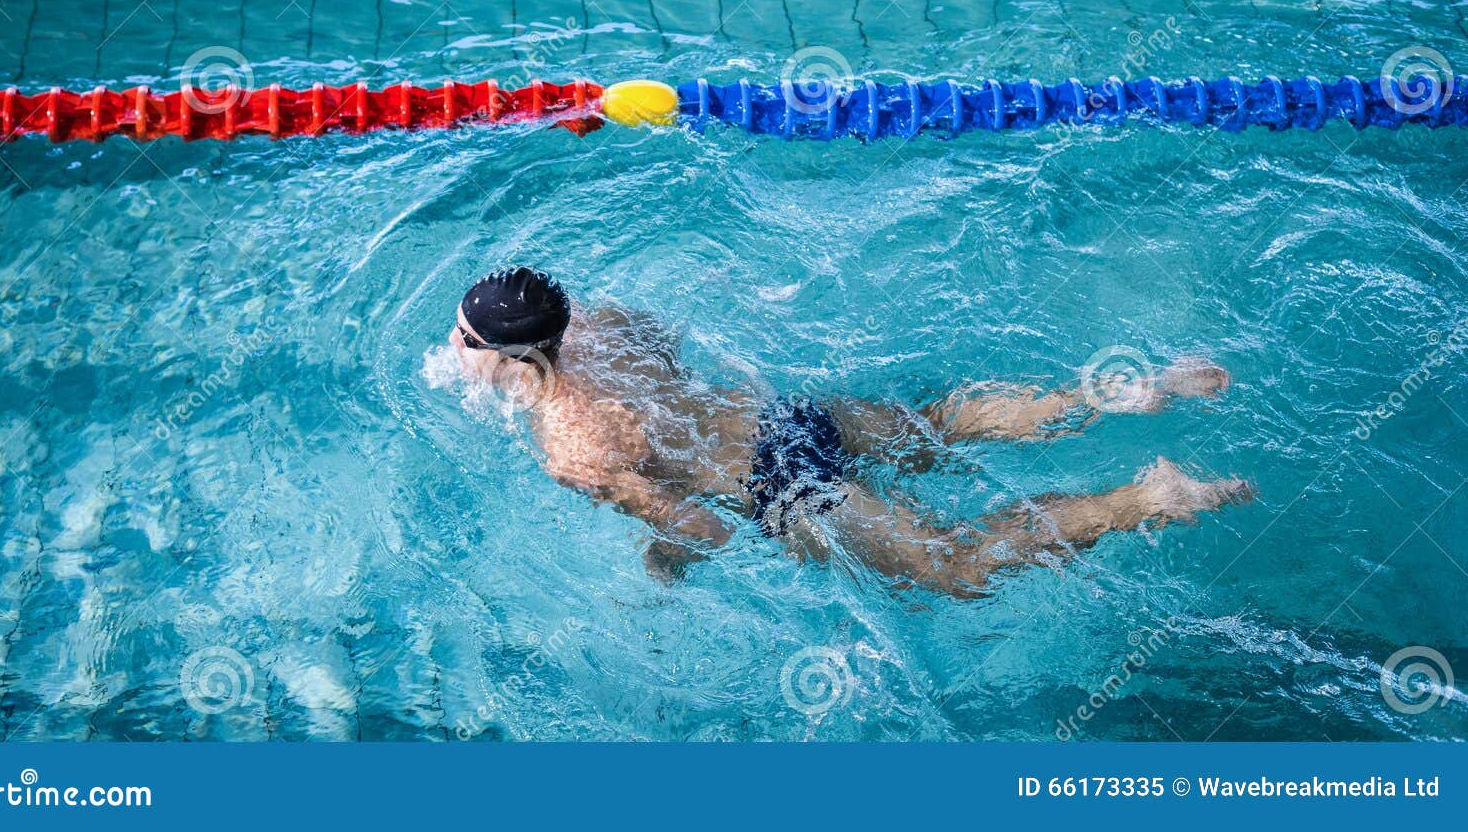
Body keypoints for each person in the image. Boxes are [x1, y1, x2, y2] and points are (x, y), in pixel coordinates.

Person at [449, 267, 1254, 596]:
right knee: (940, 427)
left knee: (953, 565)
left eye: (465, 339)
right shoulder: (605, 323)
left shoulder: (571, 447)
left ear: (516, 359)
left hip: (784, 486)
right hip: (788, 416)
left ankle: (1145, 498)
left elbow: (703, 528)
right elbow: (672, 354)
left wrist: (662, 557)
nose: (454, 348)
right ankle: (1125, 390)